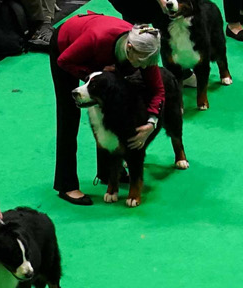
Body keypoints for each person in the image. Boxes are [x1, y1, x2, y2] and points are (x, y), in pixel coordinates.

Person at [48, 13, 163, 208]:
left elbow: (158, 89)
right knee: (69, 114)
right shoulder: (97, 38)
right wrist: (91, 78)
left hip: (104, 59)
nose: (143, 67)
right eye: (141, 62)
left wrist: (152, 122)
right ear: (129, 48)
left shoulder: (145, 49)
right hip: (67, 48)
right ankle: (66, 184)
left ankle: (107, 172)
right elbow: (64, 61)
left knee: (111, 108)